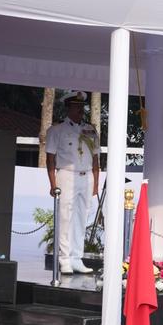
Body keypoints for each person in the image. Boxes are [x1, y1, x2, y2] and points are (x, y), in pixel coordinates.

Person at [45, 92, 100, 274]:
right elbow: (50, 159)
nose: (80, 110)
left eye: (81, 107)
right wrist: (53, 184)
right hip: (66, 175)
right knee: (65, 217)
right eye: (76, 106)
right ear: (68, 107)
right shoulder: (57, 130)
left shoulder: (90, 130)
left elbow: (96, 159)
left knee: (82, 217)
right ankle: (64, 259)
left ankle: (77, 257)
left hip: (86, 176)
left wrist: (95, 183)